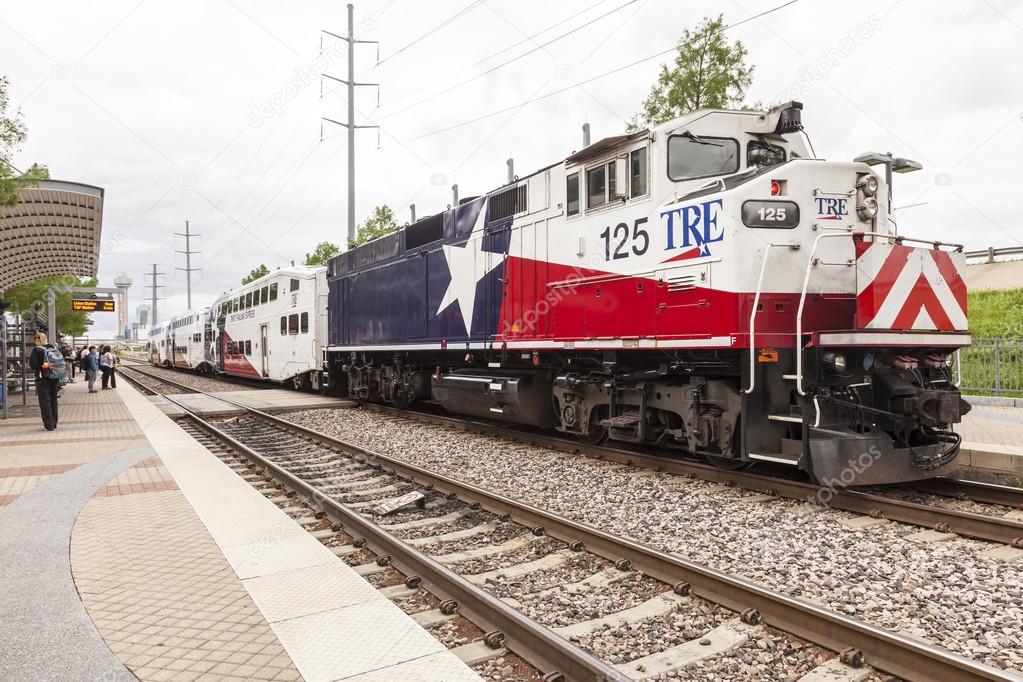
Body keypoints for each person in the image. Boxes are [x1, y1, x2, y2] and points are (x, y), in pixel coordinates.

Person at [28, 332, 62, 431]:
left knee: (45, 401)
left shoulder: (37, 350)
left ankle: (48, 425)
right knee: (53, 400)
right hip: (54, 377)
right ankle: (54, 423)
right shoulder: (52, 348)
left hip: (43, 378)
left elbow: (33, 365)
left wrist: (40, 366)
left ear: (37, 340)